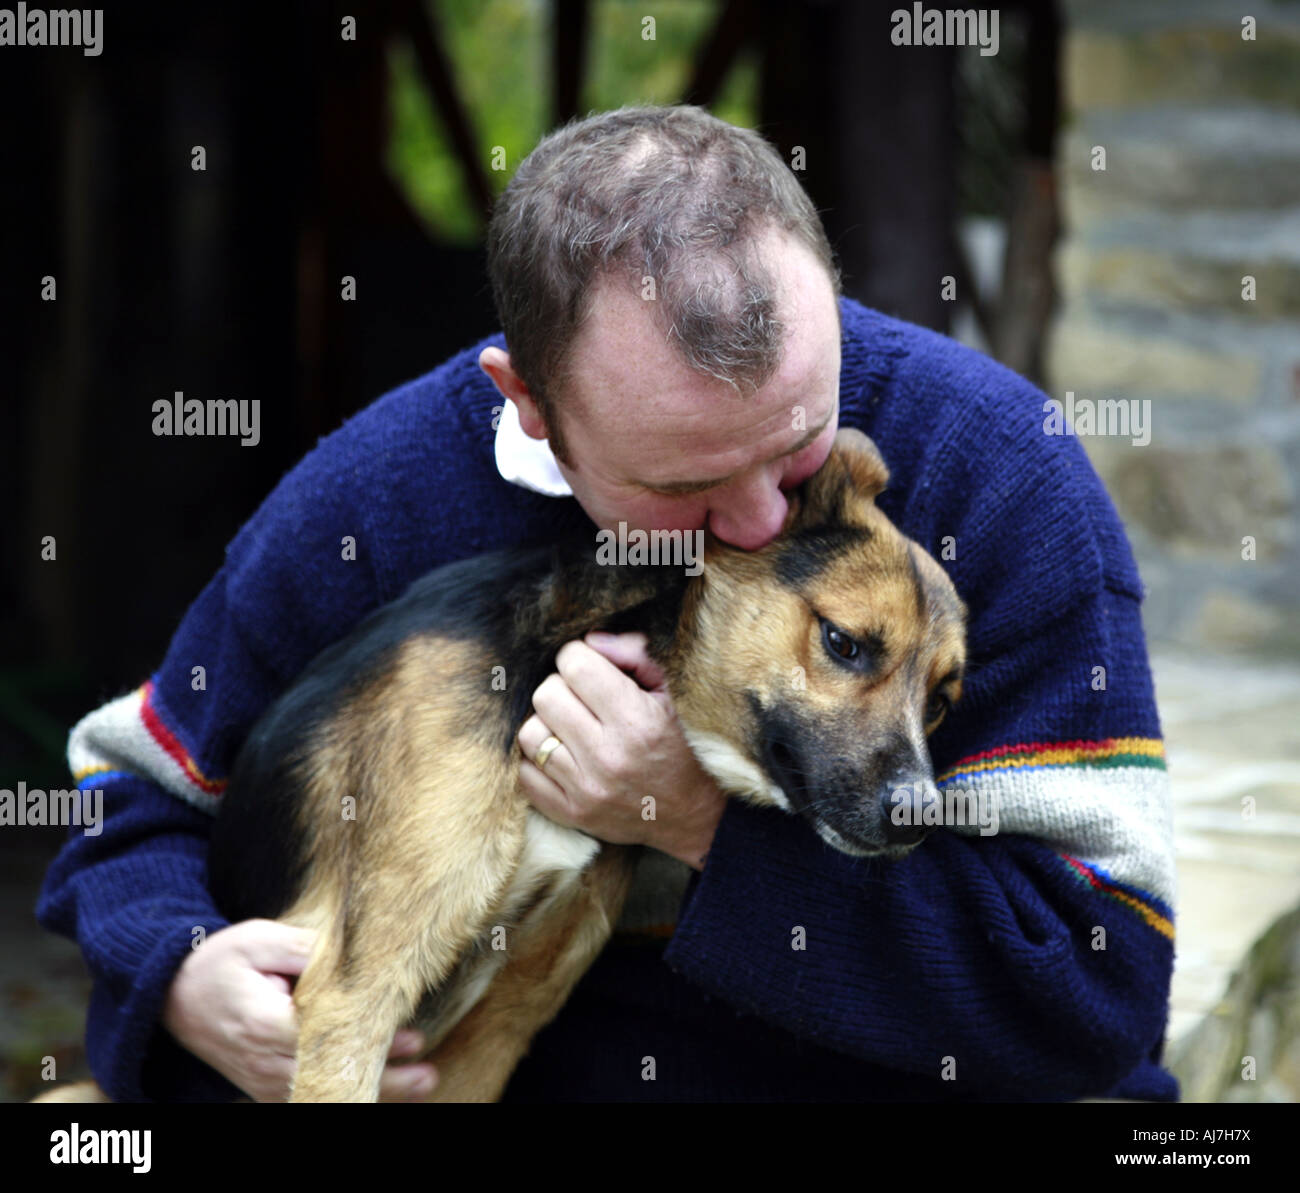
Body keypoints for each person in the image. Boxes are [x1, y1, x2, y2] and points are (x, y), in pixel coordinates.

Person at [36, 103, 1178, 1103]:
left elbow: (1098, 985)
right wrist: (178, 968)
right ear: (527, 403)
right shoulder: (379, 492)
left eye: (794, 453)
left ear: (823, 306)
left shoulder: (1003, 475)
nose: (753, 528)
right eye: (682, 485)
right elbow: (133, 796)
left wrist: (700, 823)